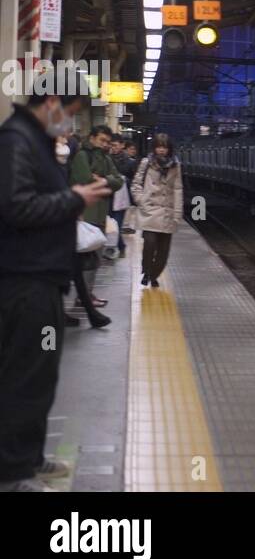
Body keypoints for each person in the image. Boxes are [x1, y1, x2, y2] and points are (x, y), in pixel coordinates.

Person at [0, 92, 111, 492]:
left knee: (40, 376)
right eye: (71, 116)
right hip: (23, 281)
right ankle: (12, 475)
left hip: (42, 278)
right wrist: (73, 198)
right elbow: (15, 207)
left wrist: (69, 203)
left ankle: (27, 458)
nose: (72, 127)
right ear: (51, 103)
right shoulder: (16, 140)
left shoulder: (36, 142)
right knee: (23, 377)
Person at [69, 125, 122, 304]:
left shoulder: (106, 158)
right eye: (102, 140)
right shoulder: (82, 155)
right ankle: (83, 296)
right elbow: (85, 179)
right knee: (87, 259)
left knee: (94, 258)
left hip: (100, 214)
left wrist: (104, 179)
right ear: (92, 138)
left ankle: (86, 295)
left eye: (107, 141)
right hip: (85, 213)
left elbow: (119, 181)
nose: (105, 144)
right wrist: (106, 182)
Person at [132, 134, 184, 287]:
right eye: (159, 147)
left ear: (169, 149)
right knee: (149, 243)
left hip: (167, 211)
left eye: (164, 147)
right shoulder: (146, 163)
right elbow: (136, 184)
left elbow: (178, 189)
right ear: (154, 148)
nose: (161, 150)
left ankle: (154, 275)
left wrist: (177, 213)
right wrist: (141, 200)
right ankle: (147, 272)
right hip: (150, 210)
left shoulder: (176, 165)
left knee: (163, 252)